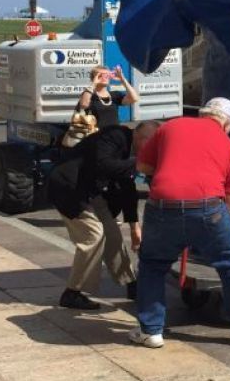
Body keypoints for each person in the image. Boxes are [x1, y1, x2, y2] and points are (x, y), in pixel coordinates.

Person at [131, 97, 230, 349]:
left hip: (162, 206)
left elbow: (143, 165)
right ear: (227, 124)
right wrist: (227, 231)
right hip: (208, 209)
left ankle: (150, 331)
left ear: (203, 113)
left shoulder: (172, 126)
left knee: (152, 265)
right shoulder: (229, 147)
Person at [49, 121, 159, 310]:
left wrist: (134, 225)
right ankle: (72, 293)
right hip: (69, 188)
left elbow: (128, 188)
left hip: (91, 191)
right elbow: (104, 165)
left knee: (113, 234)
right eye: (152, 145)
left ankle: (131, 284)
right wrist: (137, 164)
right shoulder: (114, 136)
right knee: (94, 236)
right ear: (141, 138)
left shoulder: (131, 150)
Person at [75, 64, 139, 129]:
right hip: (97, 136)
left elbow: (134, 98)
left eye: (107, 75)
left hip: (114, 134)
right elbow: (84, 105)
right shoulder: (88, 94)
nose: (104, 78)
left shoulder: (114, 95)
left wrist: (122, 79)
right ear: (94, 78)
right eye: (100, 76)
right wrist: (93, 84)